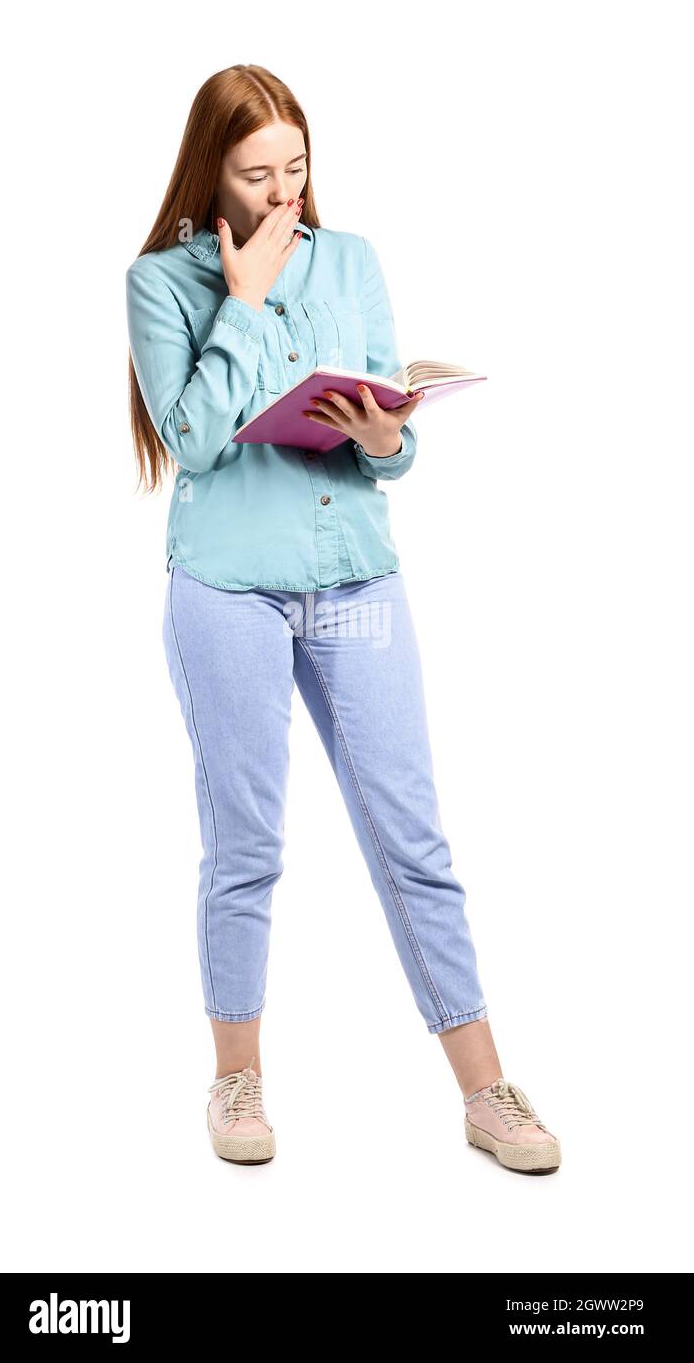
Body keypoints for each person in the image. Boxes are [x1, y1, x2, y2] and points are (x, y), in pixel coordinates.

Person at [125, 64, 561, 1174]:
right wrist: (246, 301)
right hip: (227, 590)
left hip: (356, 581)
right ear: (210, 171)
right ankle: (236, 1082)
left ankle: (486, 1089)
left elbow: (390, 440)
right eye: (256, 173)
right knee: (247, 843)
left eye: (296, 169)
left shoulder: (353, 260)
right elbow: (195, 439)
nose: (281, 195)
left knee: (413, 837)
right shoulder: (162, 280)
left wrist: (384, 435)